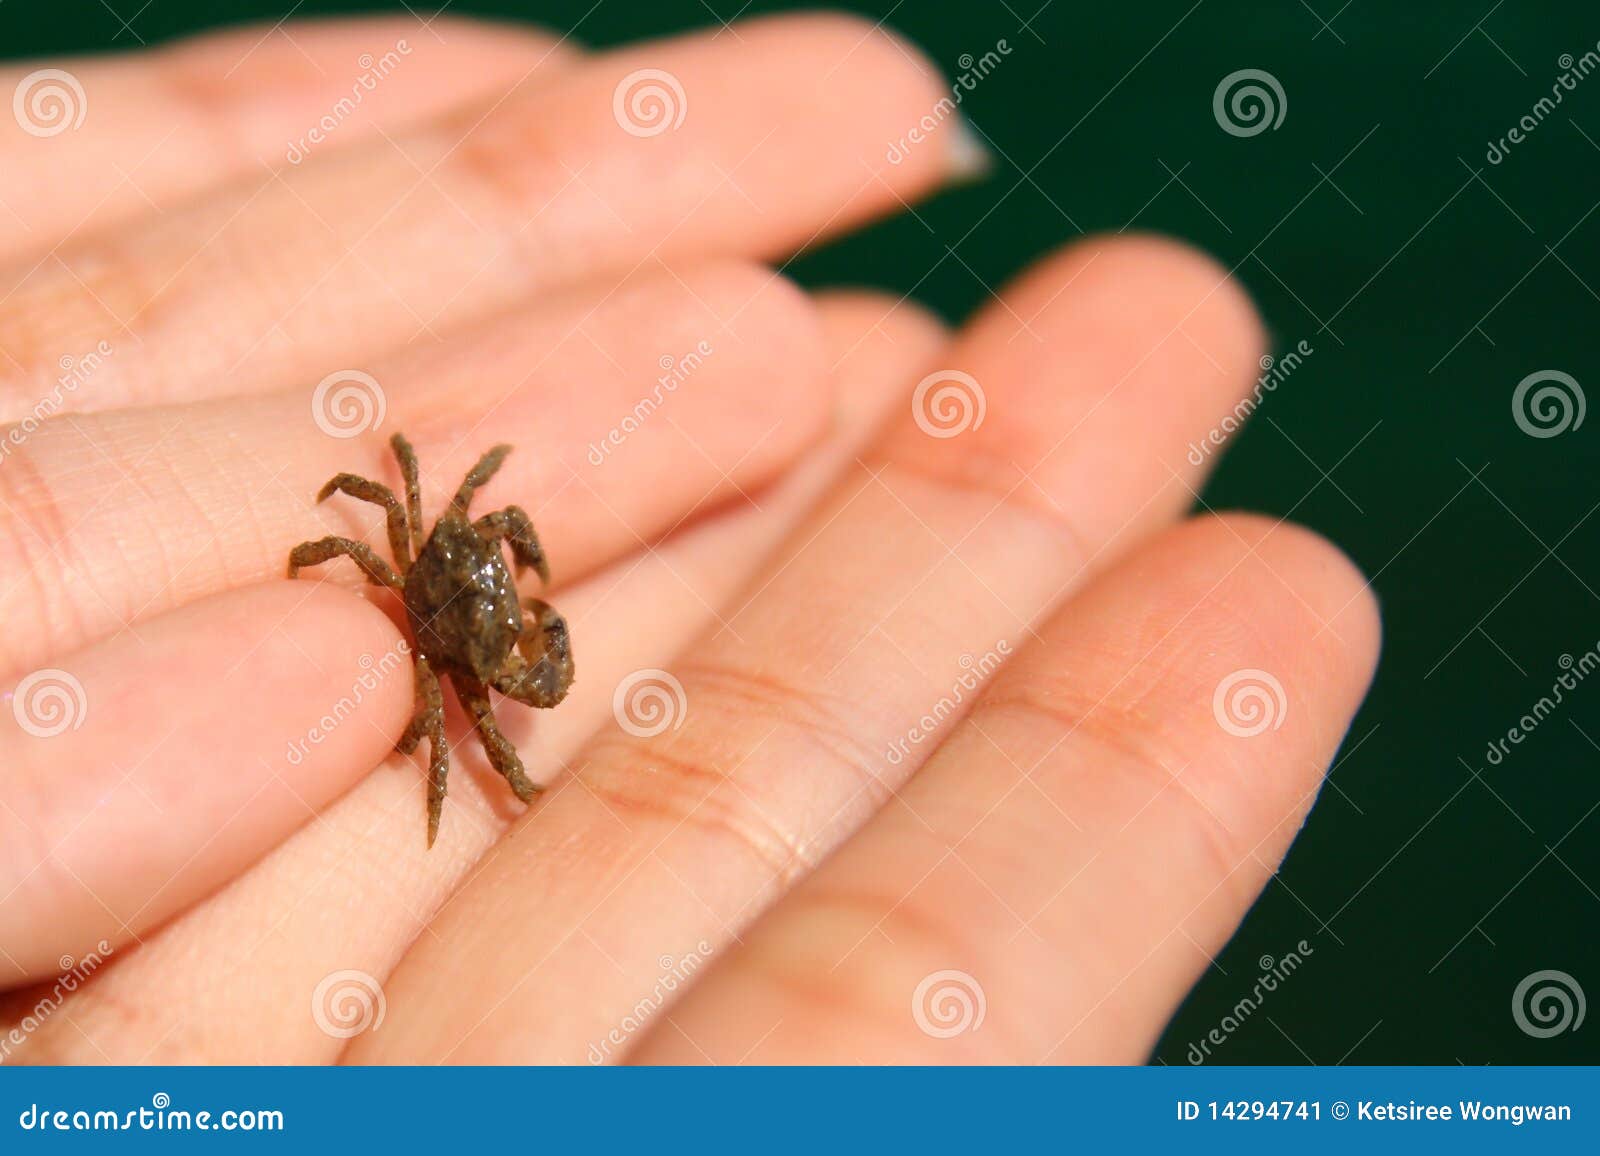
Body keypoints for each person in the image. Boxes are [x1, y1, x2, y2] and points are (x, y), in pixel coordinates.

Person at [0, 12, 1378, 1064]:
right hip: (436, 624)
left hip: (448, 620)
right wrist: (448, 651)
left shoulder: (462, 573)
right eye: (486, 554)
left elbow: (473, 532)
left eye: (497, 561)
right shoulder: (431, 577)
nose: (488, 548)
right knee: (449, 688)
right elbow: (432, 552)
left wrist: (499, 606)